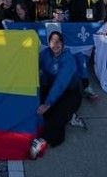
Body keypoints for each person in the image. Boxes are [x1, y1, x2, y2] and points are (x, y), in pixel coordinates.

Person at [30, 30, 85, 159]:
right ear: (48, 43)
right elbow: (33, 64)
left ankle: (42, 141)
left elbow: (60, 83)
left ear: (63, 44)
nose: (56, 44)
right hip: (53, 89)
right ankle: (70, 117)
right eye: (53, 41)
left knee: (56, 115)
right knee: (39, 109)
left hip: (71, 92)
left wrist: (48, 103)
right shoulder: (45, 54)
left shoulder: (68, 59)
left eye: (59, 42)